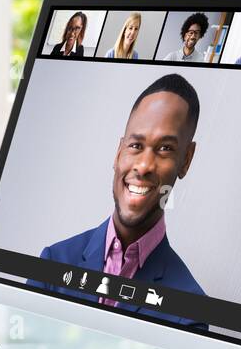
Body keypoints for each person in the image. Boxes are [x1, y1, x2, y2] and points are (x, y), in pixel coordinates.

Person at [28, 74, 205, 326]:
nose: (143, 166)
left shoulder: (189, 311)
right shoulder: (53, 261)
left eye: (165, 148)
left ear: (186, 160)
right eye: (135, 145)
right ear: (119, 151)